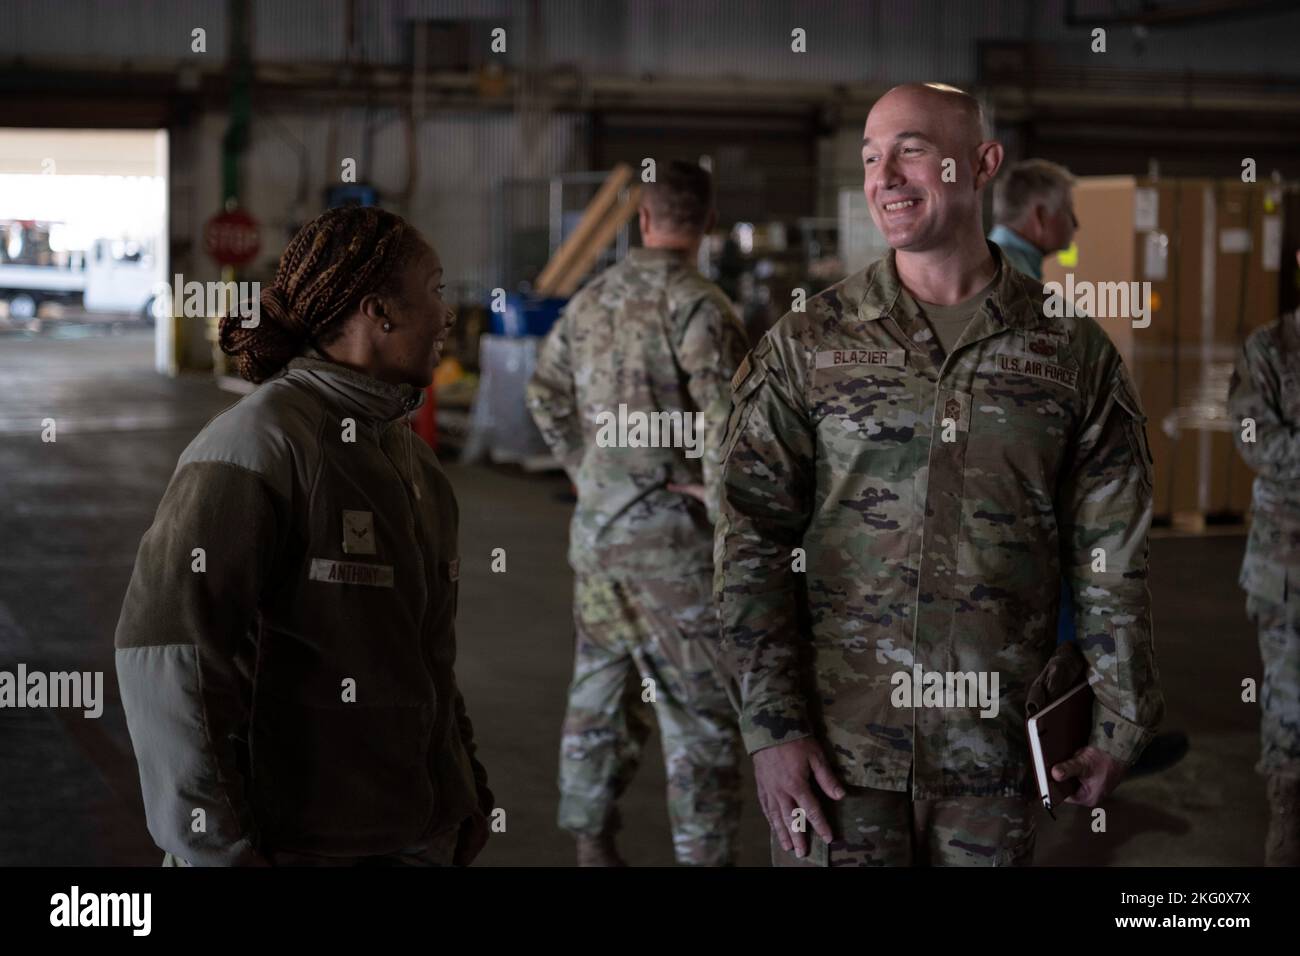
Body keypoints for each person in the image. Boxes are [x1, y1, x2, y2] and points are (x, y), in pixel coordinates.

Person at [715, 83, 1164, 867]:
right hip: (838, 757)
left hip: (994, 754)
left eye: (912, 149)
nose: (884, 174)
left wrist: (1120, 717)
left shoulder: (1070, 353)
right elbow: (749, 538)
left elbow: (1110, 555)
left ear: (982, 163)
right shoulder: (806, 344)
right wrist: (772, 728)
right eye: (870, 157)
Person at [115, 206, 493, 866]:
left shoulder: (413, 465)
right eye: (435, 291)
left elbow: (424, 654)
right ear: (381, 312)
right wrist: (217, 852)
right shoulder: (257, 446)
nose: (449, 315)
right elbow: (170, 655)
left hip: (410, 838)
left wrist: (464, 791)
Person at [527, 160, 747, 866]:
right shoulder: (700, 307)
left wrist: (588, 473)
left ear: (642, 221)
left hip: (598, 541)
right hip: (674, 554)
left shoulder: (590, 300)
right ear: (708, 224)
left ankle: (592, 842)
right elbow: (730, 429)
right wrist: (716, 501)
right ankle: (703, 856)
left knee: (598, 695)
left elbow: (543, 394)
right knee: (700, 718)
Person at [990, 160, 1188, 778]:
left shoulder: (1012, 271)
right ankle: (1079, 740)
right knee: (1068, 617)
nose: (1075, 223)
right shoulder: (1013, 283)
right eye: (1069, 210)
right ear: (1041, 215)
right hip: (1032, 502)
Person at [1228, 253, 1300, 866]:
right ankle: (1288, 831)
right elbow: (1258, 443)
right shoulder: (1268, 349)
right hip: (1290, 573)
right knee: (1291, 705)